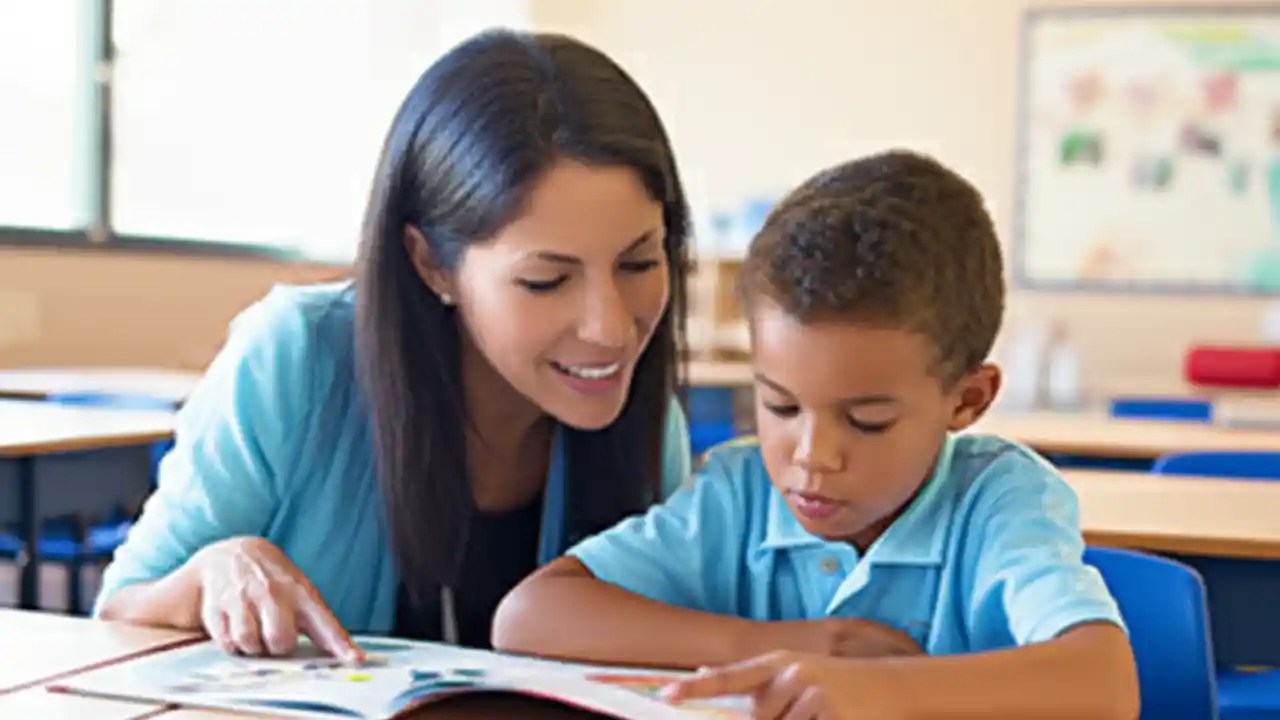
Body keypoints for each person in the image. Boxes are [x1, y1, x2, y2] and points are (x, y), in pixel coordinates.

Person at [93, 28, 694, 662]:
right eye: (546, 281)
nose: (611, 328)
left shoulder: (649, 425)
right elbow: (119, 611)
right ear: (431, 263)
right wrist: (213, 571)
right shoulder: (296, 359)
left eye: (639, 264)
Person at [494, 151, 1139, 718]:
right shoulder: (740, 494)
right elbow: (526, 617)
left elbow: (1104, 684)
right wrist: (793, 646)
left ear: (967, 400)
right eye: (779, 406)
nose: (812, 458)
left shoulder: (998, 501)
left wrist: (889, 692)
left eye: (867, 421)